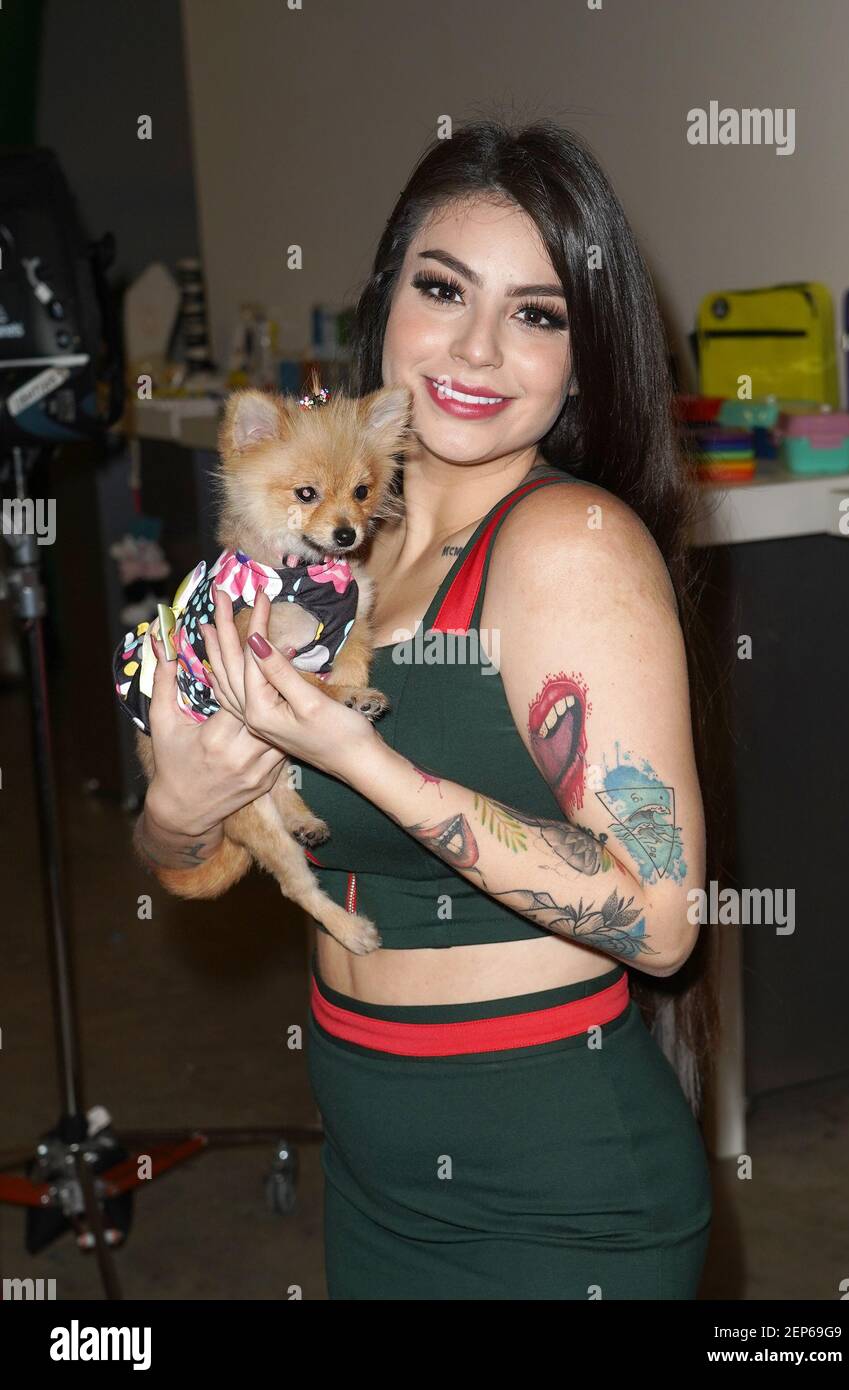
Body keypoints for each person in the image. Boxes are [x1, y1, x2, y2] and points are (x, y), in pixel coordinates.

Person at [135, 118, 715, 1300]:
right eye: (441, 288)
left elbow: (660, 917)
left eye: (537, 314)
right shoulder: (334, 540)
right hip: (370, 1171)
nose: (476, 347)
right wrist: (176, 812)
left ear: (582, 356)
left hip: (556, 1199)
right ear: (384, 300)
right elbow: (186, 847)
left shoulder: (571, 544)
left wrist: (364, 755)